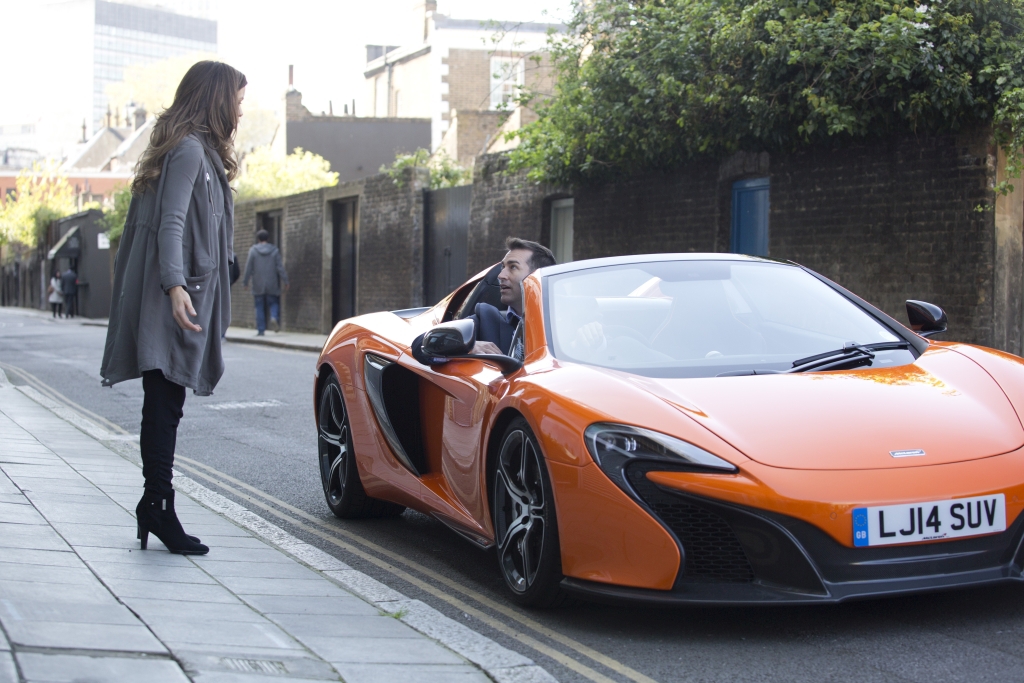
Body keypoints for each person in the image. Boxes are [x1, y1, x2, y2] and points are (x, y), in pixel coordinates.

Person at [101, 61, 246, 556]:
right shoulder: (188, 150)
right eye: (238, 101)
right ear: (216, 99)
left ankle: (156, 504)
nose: (241, 112)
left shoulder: (194, 150)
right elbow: (171, 223)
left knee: (165, 405)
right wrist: (175, 285)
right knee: (164, 406)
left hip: (179, 293)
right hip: (173, 299)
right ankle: (158, 507)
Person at [413, 237, 555, 364]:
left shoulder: (565, 325)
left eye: (512, 267)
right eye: (502, 267)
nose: (500, 275)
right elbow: (421, 345)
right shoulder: (486, 319)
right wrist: (469, 347)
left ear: (537, 277)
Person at [242, 229, 288, 335]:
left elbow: (248, 268)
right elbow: (280, 267)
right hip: (272, 283)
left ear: (258, 239)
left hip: (258, 283)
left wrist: (245, 282)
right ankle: (274, 317)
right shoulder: (274, 250)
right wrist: (286, 280)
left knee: (259, 306)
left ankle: (261, 330)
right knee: (274, 302)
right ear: (268, 238)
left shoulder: (253, 251)